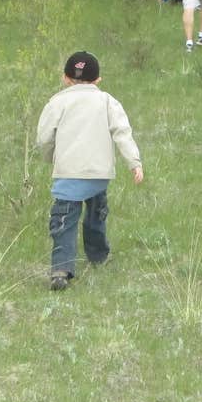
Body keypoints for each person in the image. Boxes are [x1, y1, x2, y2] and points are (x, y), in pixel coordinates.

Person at [36, 51, 144, 291]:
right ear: (98, 80)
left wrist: (50, 158)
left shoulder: (57, 102)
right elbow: (122, 133)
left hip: (68, 173)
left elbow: (44, 137)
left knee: (63, 221)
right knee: (96, 215)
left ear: (65, 78)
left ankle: (61, 269)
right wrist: (134, 163)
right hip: (98, 174)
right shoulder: (107, 101)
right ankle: (98, 256)